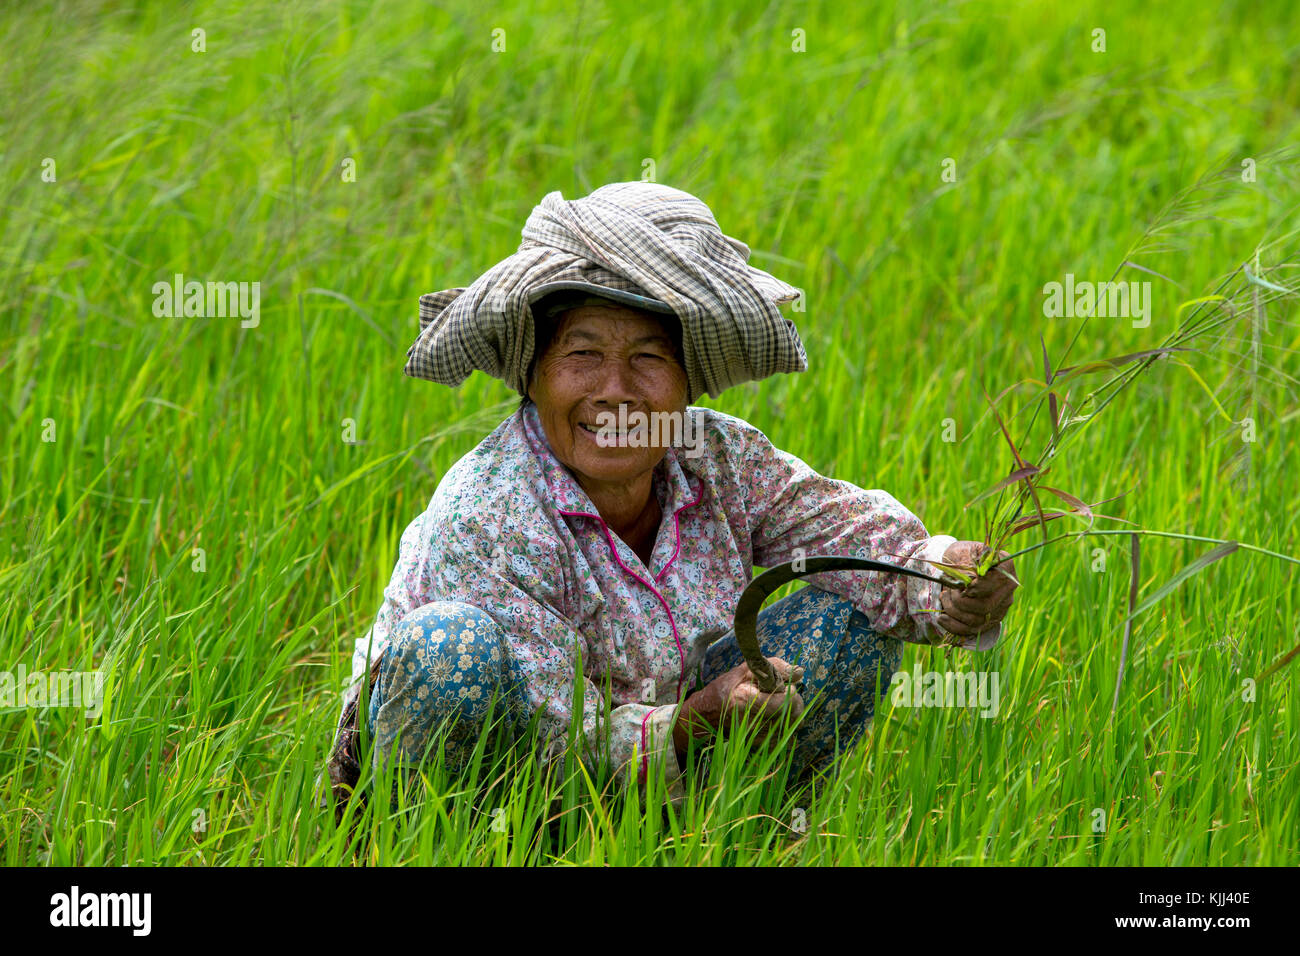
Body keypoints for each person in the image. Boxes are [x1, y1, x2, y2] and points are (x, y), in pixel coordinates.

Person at [324, 181, 1017, 817]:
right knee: (452, 647)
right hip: (506, 791)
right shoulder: (488, 513)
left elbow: (855, 543)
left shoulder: (718, 457)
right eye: (583, 354)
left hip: (665, 772)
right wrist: (698, 720)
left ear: (690, 382)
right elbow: (552, 748)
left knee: (850, 618)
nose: (616, 390)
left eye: (650, 358)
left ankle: (735, 833)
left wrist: (949, 576)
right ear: (533, 375)